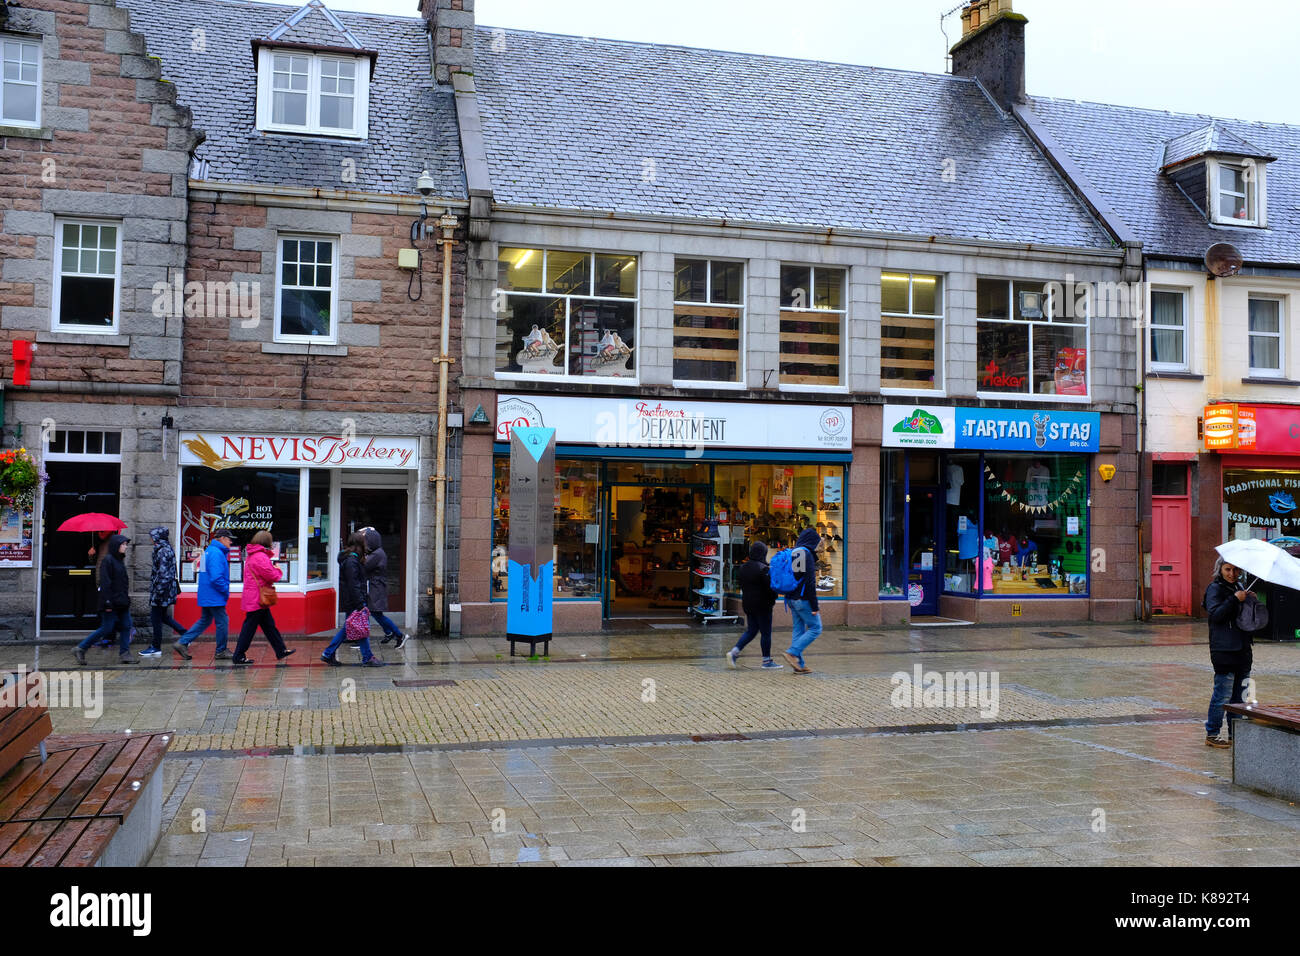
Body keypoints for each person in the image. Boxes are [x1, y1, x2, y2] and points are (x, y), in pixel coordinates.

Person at [1203, 557, 1255, 748]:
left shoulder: (1239, 586)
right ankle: (1212, 734)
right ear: (1220, 569)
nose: (1232, 574)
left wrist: (1249, 601)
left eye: (1236, 570)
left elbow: (1245, 619)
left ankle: (1235, 734)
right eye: (1227, 569)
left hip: (1242, 649)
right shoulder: (1214, 589)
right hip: (1224, 649)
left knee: (1239, 697)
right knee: (1222, 695)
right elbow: (1216, 614)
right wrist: (1234, 599)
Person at [231, 530, 294, 665]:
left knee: (269, 626)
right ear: (266, 541)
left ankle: (280, 650)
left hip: (255, 597)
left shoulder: (254, 555)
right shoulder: (260, 556)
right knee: (249, 628)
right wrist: (278, 569)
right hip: (257, 599)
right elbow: (272, 576)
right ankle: (238, 655)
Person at [321, 530, 383, 667]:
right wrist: (360, 603)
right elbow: (353, 584)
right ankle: (366, 657)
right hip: (354, 601)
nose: (366, 546)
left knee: (352, 628)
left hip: (353, 600)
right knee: (359, 626)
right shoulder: (351, 561)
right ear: (359, 544)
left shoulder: (352, 559)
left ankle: (329, 653)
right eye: (364, 543)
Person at [73, 534, 135, 665]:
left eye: (126, 544)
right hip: (111, 602)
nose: (126, 547)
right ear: (116, 546)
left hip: (122, 602)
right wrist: (107, 602)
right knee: (106, 628)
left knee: (126, 626)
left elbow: (122, 583)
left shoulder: (119, 560)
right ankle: (81, 648)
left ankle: (125, 653)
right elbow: (105, 583)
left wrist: (126, 599)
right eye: (123, 544)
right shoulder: (108, 560)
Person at [174, 528, 233, 661]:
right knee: (223, 622)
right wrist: (225, 590)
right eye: (229, 539)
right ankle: (221, 651)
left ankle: (182, 642)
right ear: (222, 538)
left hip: (207, 593)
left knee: (205, 620)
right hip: (215, 594)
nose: (231, 542)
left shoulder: (209, 551)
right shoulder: (217, 553)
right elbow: (216, 577)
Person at [726, 542, 781, 669]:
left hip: (748, 604)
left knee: (751, 630)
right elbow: (770, 588)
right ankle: (767, 661)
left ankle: (734, 652)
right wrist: (774, 597)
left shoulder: (743, 567)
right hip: (763, 605)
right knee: (766, 633)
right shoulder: (764, 568)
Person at [781, 527, 823, 675]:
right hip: (803, 599)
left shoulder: (793, 552)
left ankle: (799, 664)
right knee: (816, 628)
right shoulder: (807, 555)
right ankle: (792, 653)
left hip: (791, 598)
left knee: (798, 630)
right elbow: (810, 583)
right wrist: (814, 605)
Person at [144, 527, 187, 658]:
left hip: (162, 591)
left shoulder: (162, 551)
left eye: (152, 536)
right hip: (165, 590)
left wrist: (158, 592)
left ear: (157, 537)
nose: (150, 539)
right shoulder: (165, 548)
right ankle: (186, 634)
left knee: (155, 618)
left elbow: (163, 574)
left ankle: (156, 647)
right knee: (163, 617)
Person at [363, 527, 408, 648]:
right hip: (376, 586)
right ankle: (389, 633)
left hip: (376, 588)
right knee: (375, 613)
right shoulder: (377, 552)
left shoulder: (377, 554)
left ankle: (399, 635)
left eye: (366, 541)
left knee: (376, 614)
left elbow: (365, 566)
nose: (365, 543)